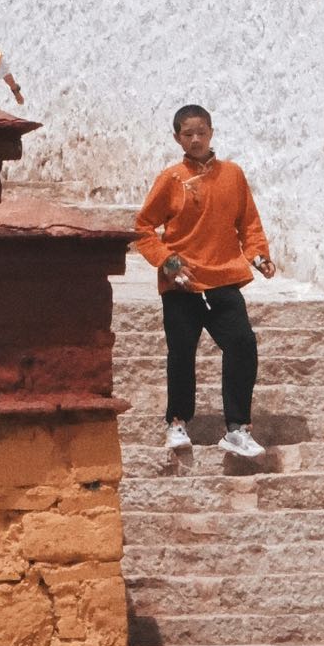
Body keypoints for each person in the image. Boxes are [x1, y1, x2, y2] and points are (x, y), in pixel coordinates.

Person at [133, 103, 275, 459]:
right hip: (182, 282)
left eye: (201, 132)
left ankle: (238, 429)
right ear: (177, 138)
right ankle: (177, 423)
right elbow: (143, 228)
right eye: (187, 134)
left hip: (224, 276)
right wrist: (167, 262)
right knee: (182, 352)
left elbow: (249, 224)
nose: (195, 140)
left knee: (242, 345)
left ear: (211, 132)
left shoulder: (233, 175)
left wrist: (259, 255)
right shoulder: (171, 179)